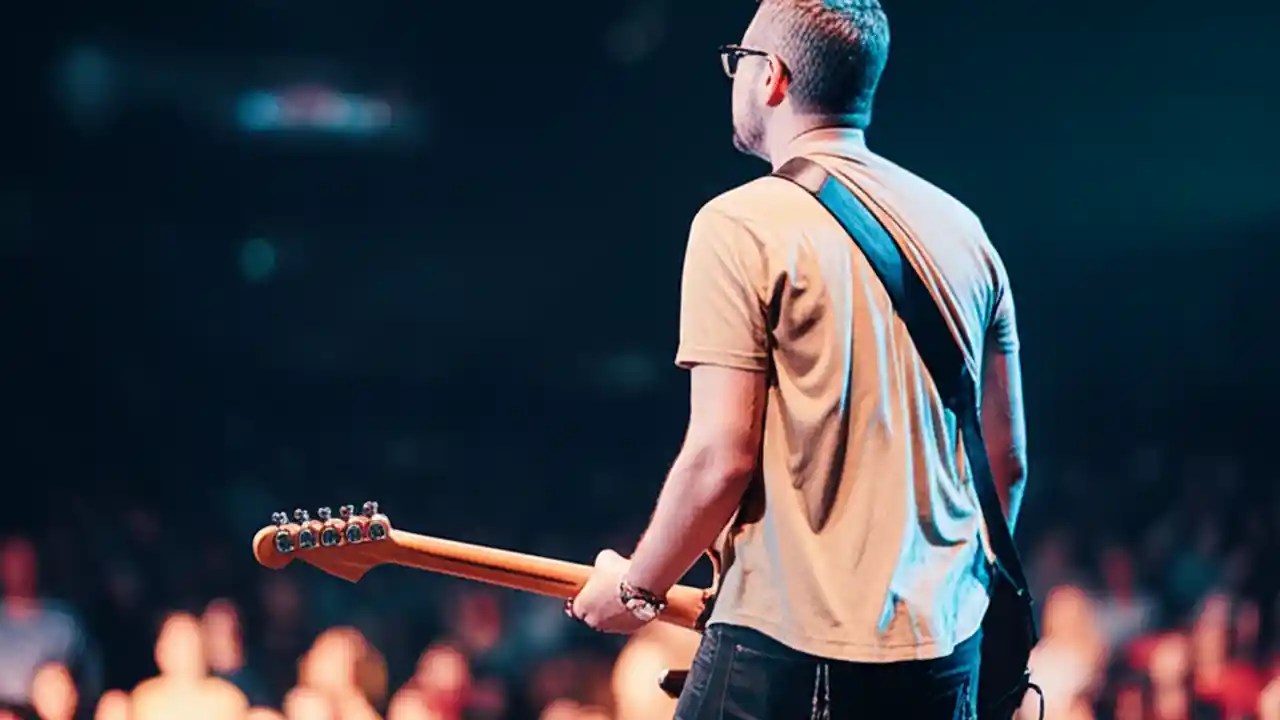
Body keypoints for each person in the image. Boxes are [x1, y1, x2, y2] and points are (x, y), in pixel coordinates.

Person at [568, 1, 1028, 718]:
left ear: (772, 78)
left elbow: (722, 454)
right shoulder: (964, 231)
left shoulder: (739, 223)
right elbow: (1006, 463)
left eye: (738, 61)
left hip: (786, 660)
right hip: (944, 656)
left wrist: (636, 590)